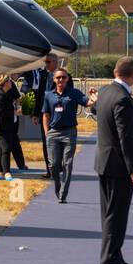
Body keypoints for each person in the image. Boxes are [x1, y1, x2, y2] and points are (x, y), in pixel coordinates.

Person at [89, 57, 133, 264]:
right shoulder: (122, 98)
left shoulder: (105, 92)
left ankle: (113, 253)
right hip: (118, 165)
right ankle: (110, 258)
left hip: (104, 162)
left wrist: (94, 100)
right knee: (117, 213)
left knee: (109, 212)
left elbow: (98, 113)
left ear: (115, 71)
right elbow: (125, 139)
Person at [41, 67, 89, 203]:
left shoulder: (74, 93)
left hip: (69, 132)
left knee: (67, 163)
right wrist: (47, 133)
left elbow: (88, 103)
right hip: (53, 133)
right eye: (58, 77)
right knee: (54, 165)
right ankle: (57, 186)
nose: (61, 79)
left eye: (63, 77)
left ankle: (63, 193)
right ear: (54, 79)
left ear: (67, 79)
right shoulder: (48, 95)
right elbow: (45, 115)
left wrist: (93, 97)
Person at [23, 53, 59, 177]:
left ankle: (58, 168)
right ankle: (49, 170)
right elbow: (39, 96)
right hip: (44, 114)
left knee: (57, 142)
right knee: (46, 142)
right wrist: (36, 114)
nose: (46, 64)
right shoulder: (43, 76)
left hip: (57, 114)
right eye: (46, 62)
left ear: (55, 63)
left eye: (48, 62)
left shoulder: (63, 76)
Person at [0, 73, 21, 181]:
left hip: (8, 125)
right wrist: (13, 112)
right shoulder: (0, 96)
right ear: (5, 83)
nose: (11, 83)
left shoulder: (6, 94)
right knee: (6, 149)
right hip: (2, 127)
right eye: (9, 81)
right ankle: (6, 172)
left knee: (2, 150)